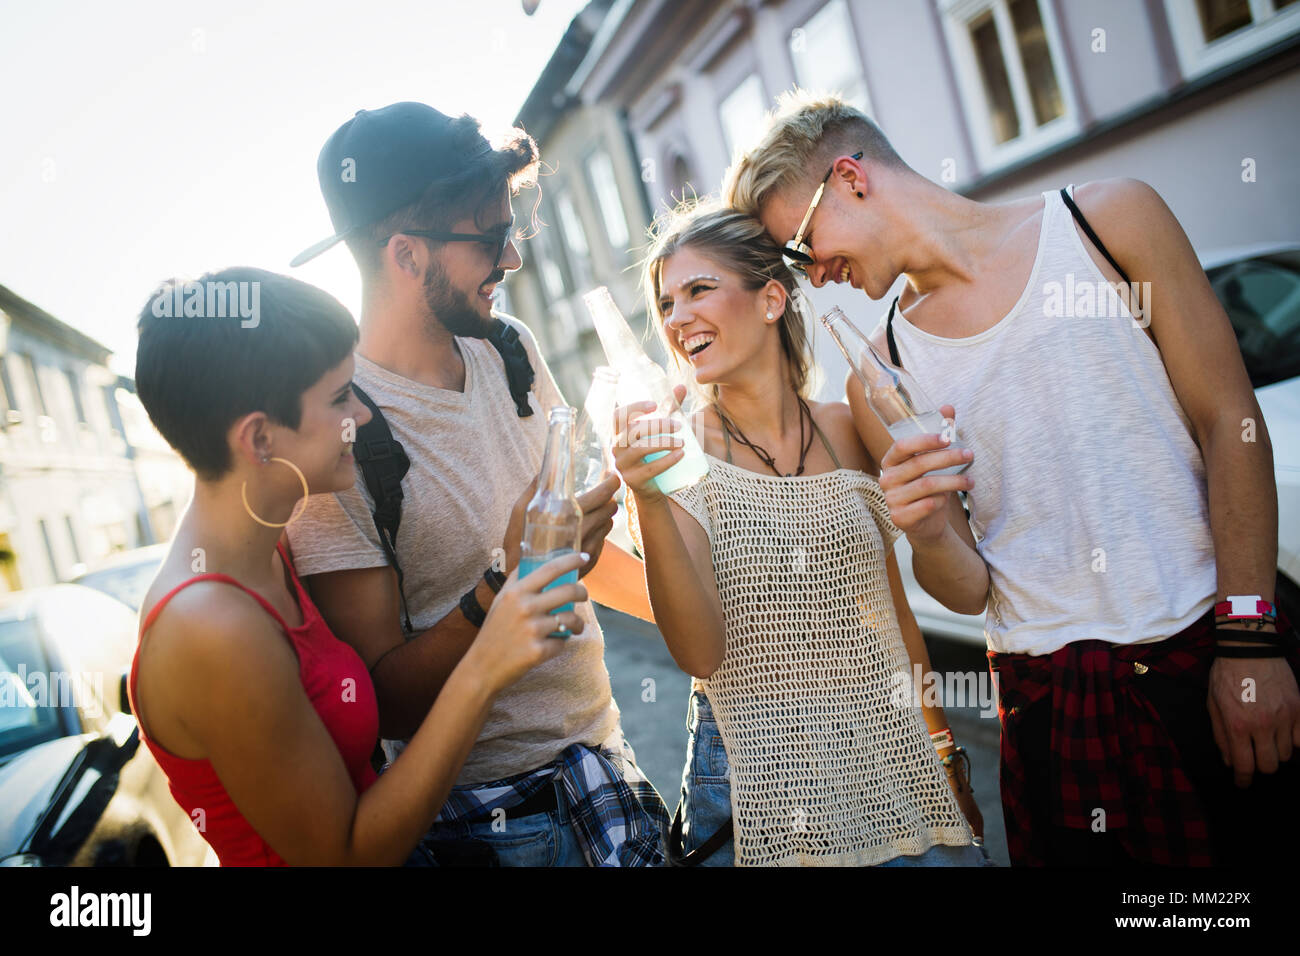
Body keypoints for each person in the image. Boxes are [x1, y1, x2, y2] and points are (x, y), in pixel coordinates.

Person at [725, 90, 1300, 866]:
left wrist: (1251, 645)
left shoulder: (1108, 222)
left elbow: (1231, 427)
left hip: (1199, 660)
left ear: (852, 178)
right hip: (1047, 705)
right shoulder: (881, 373)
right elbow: (967, 590)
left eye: (802, 244)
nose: (815, 276)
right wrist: (925, 526)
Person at [285, 102, 666, 866]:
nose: (513, 261)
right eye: (492, 238)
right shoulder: (334, 433)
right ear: (406, 255)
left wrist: (717, 612)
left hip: (605, 764)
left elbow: (568, 567)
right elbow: (385, 699)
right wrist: (504, 578)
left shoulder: (510, 350)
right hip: (484, 825)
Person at [130, 267, 589, 866]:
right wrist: (486, 664)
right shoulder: (211, 625)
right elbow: (345, 855)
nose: (364, 415)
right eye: (340, 397)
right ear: (260, 439)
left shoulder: (267, 553)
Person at [613, 203, 989, 866]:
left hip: (888, 754)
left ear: (771, 299)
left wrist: (944, 751)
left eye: (698, 290)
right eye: (666, 303)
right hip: (757, 778)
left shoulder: (849, 424)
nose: (675, 319)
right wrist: (647, 495)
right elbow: (699, 654)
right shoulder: (679, 453)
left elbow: (896, 617)